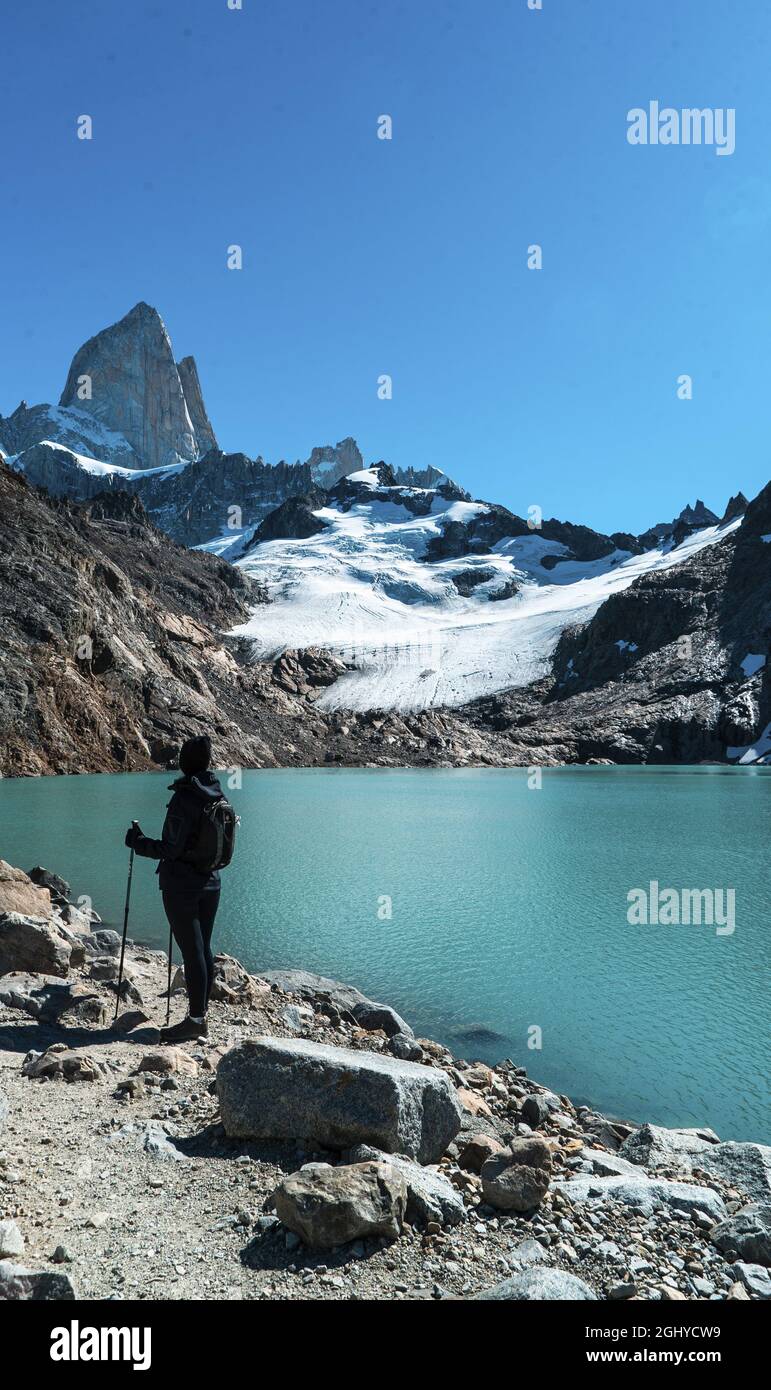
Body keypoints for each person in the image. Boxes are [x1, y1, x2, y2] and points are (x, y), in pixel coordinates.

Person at [125, 735, 223, 1043]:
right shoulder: (217, 793)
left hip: (181, 886)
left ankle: (196, 1021)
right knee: (202, 948)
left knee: (192, 953)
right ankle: (200, 1013)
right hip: (211, 882)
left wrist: (137, 842)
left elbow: (170, 848)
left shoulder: (186, 797)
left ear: (185, 762)